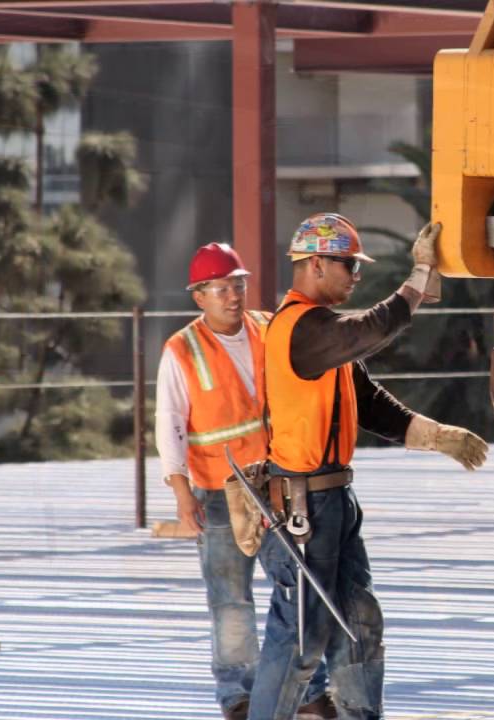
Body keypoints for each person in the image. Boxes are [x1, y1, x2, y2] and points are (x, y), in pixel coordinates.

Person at [247, 213, 490, 720]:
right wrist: (419, 277)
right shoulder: (300, 329)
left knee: (358, 621)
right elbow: (374, 327)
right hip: (303, 507)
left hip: (332, 501)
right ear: (316, 263)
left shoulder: (325, 336)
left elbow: (371, 403)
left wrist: (436, 436)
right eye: (348, 265)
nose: (355, 275)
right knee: (300, 635)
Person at [155, 242, 335, 720]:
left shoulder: (266, 327)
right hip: (216, 491)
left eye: (238, 285)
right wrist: (180, 493)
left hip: (277, 483)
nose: (233, 296)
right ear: (199, 296)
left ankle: (309, 689)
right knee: (230, 599)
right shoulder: (181, 349)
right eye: (221, 289)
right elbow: (169, 422)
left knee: (295, 586)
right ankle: (238, 696)